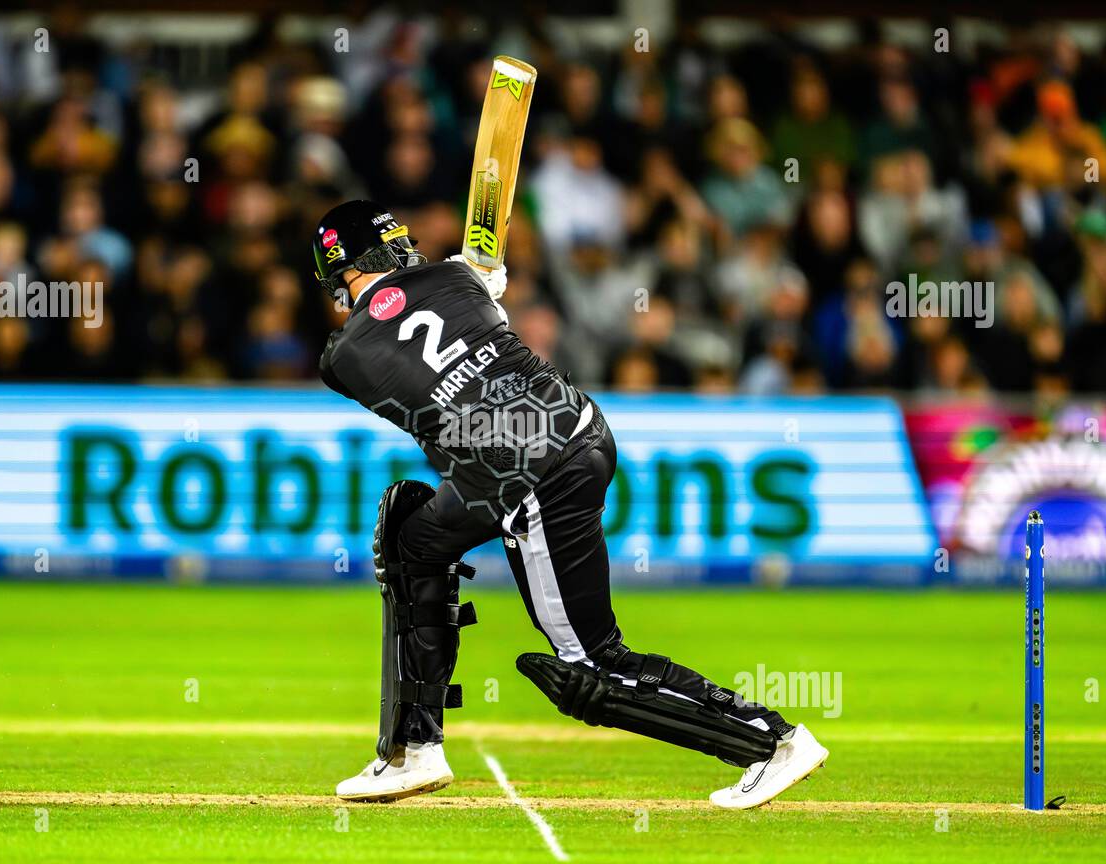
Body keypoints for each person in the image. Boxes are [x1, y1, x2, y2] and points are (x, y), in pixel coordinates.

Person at [312, 199, 829, 809]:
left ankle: (772, 742)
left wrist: (475, 281)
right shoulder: (458, 279)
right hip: (576, 433)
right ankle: (413, 750)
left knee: (592, 669)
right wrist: (481, 278)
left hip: (529, 478)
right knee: (414, 535)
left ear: (342, 272)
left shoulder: (344, 357)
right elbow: (437, 317)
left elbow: (389, 337)